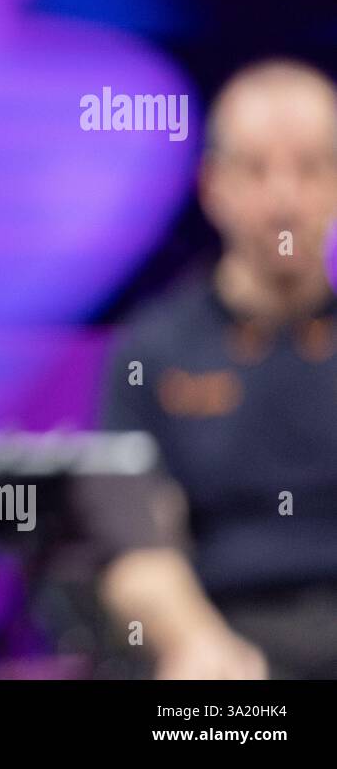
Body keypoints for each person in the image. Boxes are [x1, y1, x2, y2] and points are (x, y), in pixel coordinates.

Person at [93, 58, 337, 679]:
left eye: (310, 167)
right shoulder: (153, 350)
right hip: (223, 641)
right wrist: (195, 645)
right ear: (212, 186)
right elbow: (134, 547)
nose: (284, 198)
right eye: (256, 169)